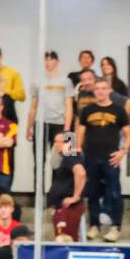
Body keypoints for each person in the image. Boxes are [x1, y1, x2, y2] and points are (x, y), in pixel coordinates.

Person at [75, 78, 130, 243]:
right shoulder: (87, 110)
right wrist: (77, 154)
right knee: (92, 193)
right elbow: (79, 134)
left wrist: (123, 152)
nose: (100, 91)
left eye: (103, 88)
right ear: (94, 91)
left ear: (109, 91)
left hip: (111, 159)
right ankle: (94, 225)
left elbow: (129, 134)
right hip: (91, 158)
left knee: (114, 193)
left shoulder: (119, 111)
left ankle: (116, 227)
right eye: (97, 88)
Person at [28, 51, 72, 187]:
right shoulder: (37, 81)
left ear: (57, 61)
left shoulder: (66, 81)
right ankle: (38, 196)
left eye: (51, 60)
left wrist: (67, 129)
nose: (48, 63)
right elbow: (33, 106)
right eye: (46, 60)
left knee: (60, 162)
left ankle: (56, 196)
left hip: (59, 124)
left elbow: (69, 106)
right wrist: (29, 127)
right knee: (39, 162)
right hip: (40, 124)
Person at [46, 132, 86, 241]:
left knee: (65, 240)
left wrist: (75, 197)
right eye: (55, 141)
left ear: (69, 143)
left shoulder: (71, 156)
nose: (57, 144)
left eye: (61, 141)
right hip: (62, 207)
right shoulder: (66, 157)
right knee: (62, 238)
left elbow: (80, 173)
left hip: (68, 208)